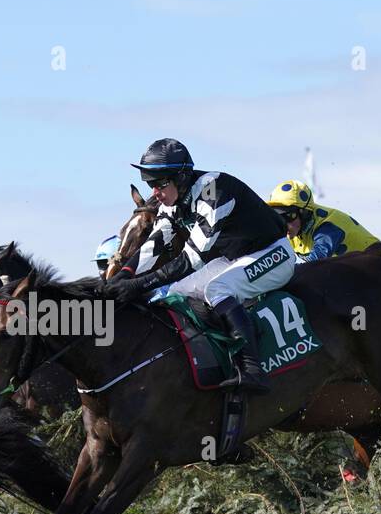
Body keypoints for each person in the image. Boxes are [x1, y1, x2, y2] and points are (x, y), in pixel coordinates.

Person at [105, 138, 293, 392]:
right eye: (149, 184)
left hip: (274, 254)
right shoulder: (173, 202)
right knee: (175, 294)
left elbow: (192, 259)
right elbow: (154, 243)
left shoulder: (213, 189)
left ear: (181, 177)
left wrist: (138, 285)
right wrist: (120, 277)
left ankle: (252, 369)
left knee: (217, 290)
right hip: (234, 258)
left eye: (159, 184)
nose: (154, 193)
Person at [266, 180, 379, 262]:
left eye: (288, 216)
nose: (283, 224)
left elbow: (314, 265)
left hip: (379, 267)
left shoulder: (327, 226)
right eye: (278, 217)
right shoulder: (292, 229)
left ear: (304, 213)